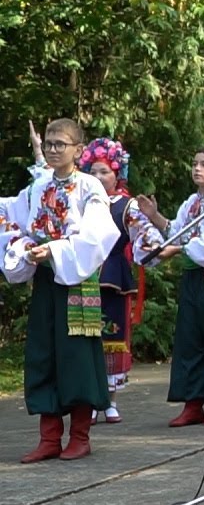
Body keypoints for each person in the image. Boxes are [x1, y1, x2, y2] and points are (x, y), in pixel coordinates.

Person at [3, 119, 119, 463]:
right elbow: (12, 214)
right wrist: (24, 246)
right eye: (49, 144)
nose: (53, 149)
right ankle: (49, 437)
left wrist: (54, 250)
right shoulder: (37, 188)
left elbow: (98, 235)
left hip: (76, 281)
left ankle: (80, 435)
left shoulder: (89, 188)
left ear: (78, 150)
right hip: (45, 282)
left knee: (77, 357)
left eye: (61, 144)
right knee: (43, 353)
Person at [137, 147, 204, 428]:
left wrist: (177, 250)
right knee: (189, 340)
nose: (197, 169)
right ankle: (193, 403)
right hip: (193, 279)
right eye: (194, 163)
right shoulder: (191, 203)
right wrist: (156, 217)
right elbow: (178, 231)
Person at [80, 138, 160, 424]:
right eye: (93, 171)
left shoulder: (127, 206)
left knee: (114, 336)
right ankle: (90, 398)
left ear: (118, 174)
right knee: (86, 337)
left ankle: (111, 399)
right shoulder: (81, 202)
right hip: (83, 274)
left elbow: (145, 237)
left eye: (105, 171)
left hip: (114, 276)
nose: (99, 177)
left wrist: (156, 250)